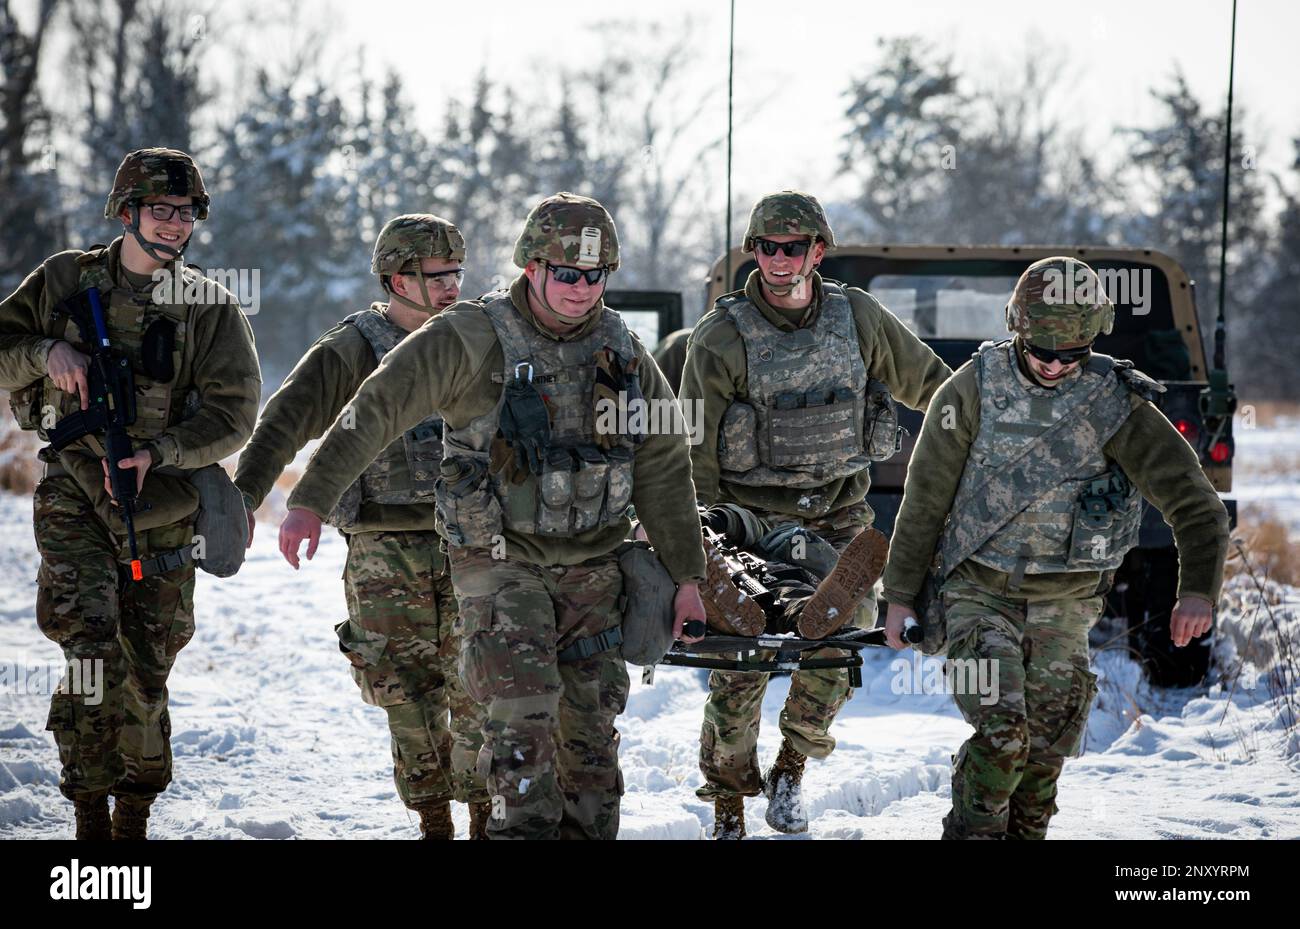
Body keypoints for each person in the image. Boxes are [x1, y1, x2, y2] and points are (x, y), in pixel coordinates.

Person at [277, 192, 707, 839]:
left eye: (596, 276)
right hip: (500, 565)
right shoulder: (475, 334)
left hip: (593, 566)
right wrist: (311, 497)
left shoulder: (622, 349)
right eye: (567, 273)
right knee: (522, 735)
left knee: (590, 751)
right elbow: (380, 404)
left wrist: (689, 577)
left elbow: (665, 466)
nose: (582, 289)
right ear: (533, 266)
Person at [882, 256, 1230, 839]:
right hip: (976, 593)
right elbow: (923, 502)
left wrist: (1196, 589)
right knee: (1002, 738)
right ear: (1017, 327)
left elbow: (1196, 505)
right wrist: (898, 596)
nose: (1053, 365)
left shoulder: (1115, 404)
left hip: (1065, 603)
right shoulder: (971, 389)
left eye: (1071, 354)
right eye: (1041, 350)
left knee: (1043, 755)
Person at [0, 148, 261, 839]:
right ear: (127, 212)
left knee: (147, 670)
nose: (176, 225)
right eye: (161, 210)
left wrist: (161, 451)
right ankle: (89, 815)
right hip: (75, 494)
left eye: (187, 213)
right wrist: (44, 353)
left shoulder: (209, 304)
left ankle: (133, 818)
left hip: (163, 506)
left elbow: (237, 415)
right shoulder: (64, 278)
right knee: (91, 653)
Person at [679, 190, 951, 838]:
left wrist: (994, 411)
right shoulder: (720, 337)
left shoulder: (858, 319)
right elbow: (693, 447)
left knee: (834, 643)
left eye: (792, 247)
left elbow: (937, 389)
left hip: (835, 518)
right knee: (741, 661)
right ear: (754, 252)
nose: (778, 260)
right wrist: (700, 544)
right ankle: (727, 803)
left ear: (817, 251)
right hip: (750, 522)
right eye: (766, 247)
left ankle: (792, 768)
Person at [233, 214, 489, 839]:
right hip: (382, 547)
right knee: (404, 690)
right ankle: (434, 821)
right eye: (437, 276)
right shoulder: (352, 348)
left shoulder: (479, 338)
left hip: (471, 543)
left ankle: (488, 816)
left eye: (457, 273)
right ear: (397, 279)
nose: (452, 286)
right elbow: (284, 422)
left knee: (482, 686)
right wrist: (246, 498)